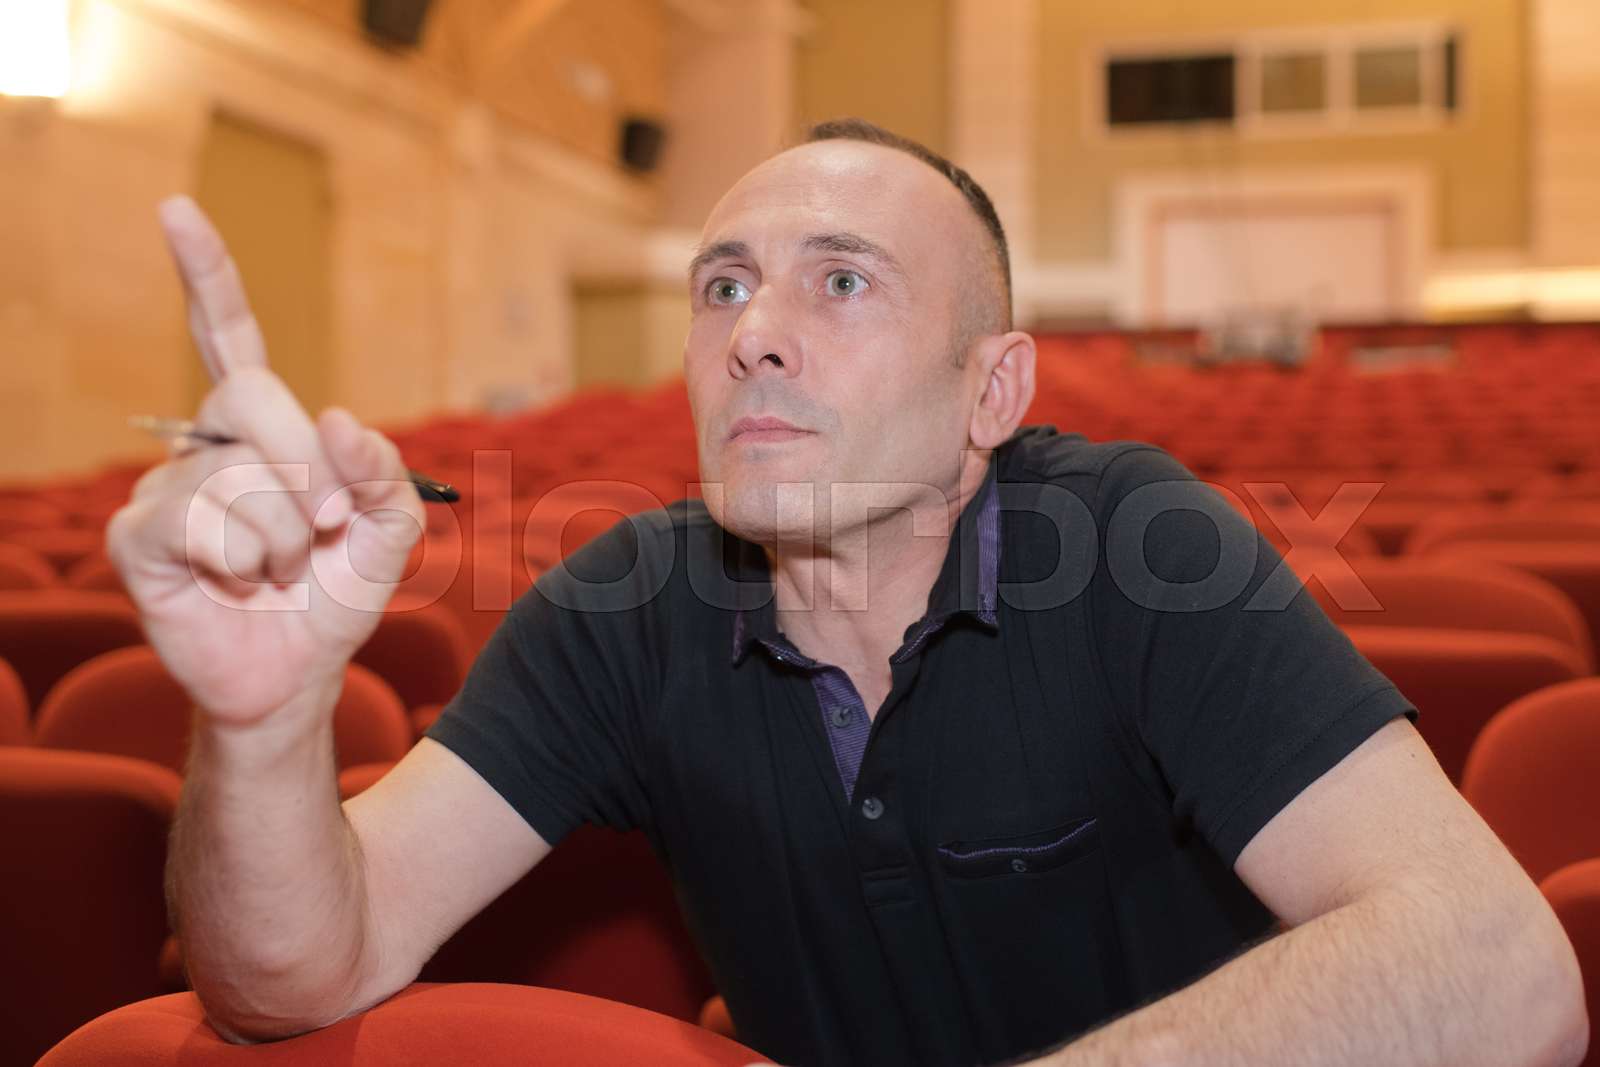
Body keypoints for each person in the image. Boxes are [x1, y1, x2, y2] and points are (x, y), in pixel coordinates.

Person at [108, 119, 1588, 1067]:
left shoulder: (1147, 547)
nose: (754, 333)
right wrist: (264, 724)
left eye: (843, 282)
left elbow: (1505, 971)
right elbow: (287, 983)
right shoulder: (619, 607)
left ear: (989, 390)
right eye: (725, 285)